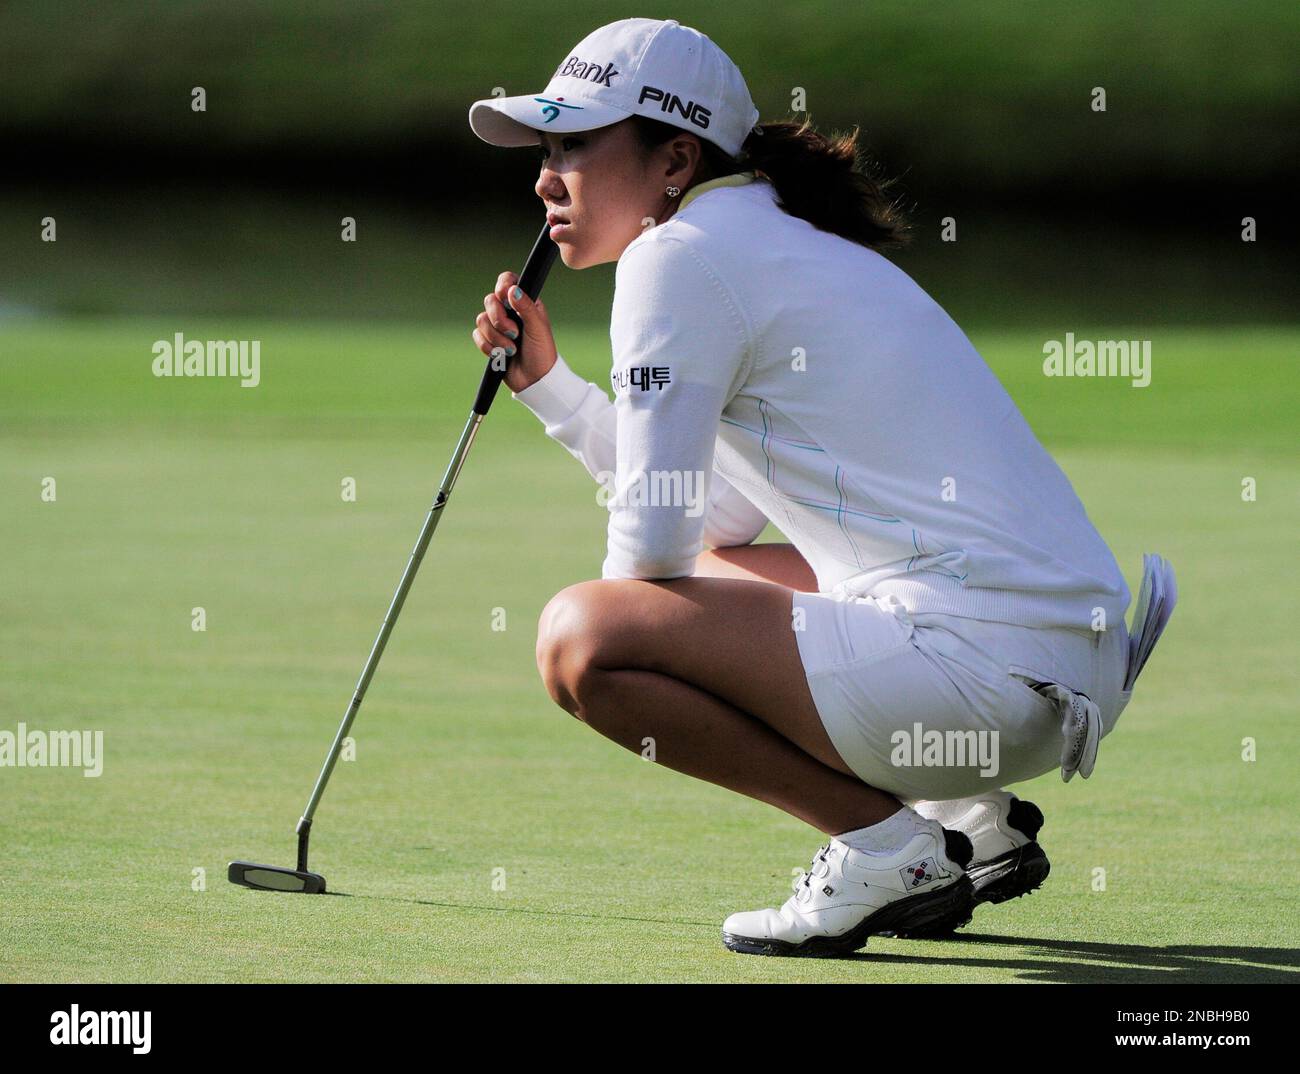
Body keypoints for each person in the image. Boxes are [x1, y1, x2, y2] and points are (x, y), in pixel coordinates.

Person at [466, 17, 1156, 957]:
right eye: (545, 149)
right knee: (714, 565)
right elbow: (718, 528)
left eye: (576, 145)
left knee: (581, 639)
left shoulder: (677, 258)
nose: (547, 178)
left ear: (674, 159)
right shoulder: (773, 238)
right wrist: (553, 389)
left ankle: (884, 845)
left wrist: (642, 593)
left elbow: (648, 557)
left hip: (975, 678)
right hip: (1053, 679)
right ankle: (962, 814)